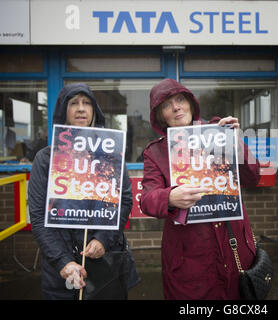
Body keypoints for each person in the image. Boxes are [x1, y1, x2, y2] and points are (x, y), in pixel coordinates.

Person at [139, 78, 260, 300]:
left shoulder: (219, 132)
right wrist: (169, 197)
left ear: (191, 103)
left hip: (233, 246)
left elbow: (253, 177)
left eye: (179, 99)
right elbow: (147, 199)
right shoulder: (155, 152)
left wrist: (236, 141)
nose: (175, 107)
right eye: (166, 105)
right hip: (189, 257)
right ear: (159, 116)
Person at [28, 83, 140, 299]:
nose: (81, 109)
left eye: (87, 103)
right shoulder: (46, 159)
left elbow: (124, 201)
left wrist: (103, 239)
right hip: (62, 270)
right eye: (74, 103)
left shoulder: (110, 155)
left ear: (94, 111)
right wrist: (63, 261)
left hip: (105, 265)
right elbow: (38, 216)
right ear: (63, 111)